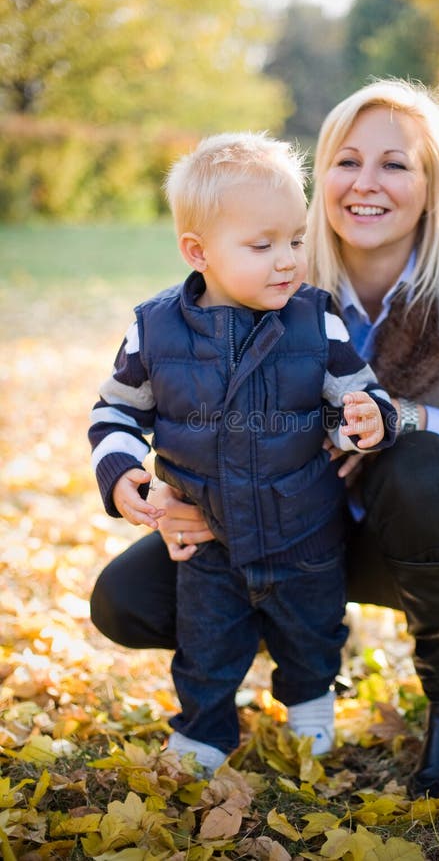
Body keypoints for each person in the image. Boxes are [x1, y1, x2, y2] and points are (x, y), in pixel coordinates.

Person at [90, 80, 439, 796]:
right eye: (347, 161)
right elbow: (182, 399)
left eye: (395, 165)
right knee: (127, 598)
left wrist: (402, 419)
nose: (367, 184)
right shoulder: (275, 271)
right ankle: (300, 649)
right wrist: (167, 491)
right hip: (282, 521)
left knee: (418, 467)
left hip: (425, 535)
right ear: (320, 175)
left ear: (433, 184)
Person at [89, 132, 397, 773]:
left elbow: (359, 399)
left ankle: (312, 702)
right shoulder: (156, 329)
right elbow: (117, 410)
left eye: (294, 240)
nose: (287, 260)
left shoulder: (316, 321)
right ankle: (204, 729)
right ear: (198, 252)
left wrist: (367, 420)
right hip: (210, 534)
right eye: (262, 246)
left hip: (303, 528)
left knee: (312, 630)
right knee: (205, 642)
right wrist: (121, 471)